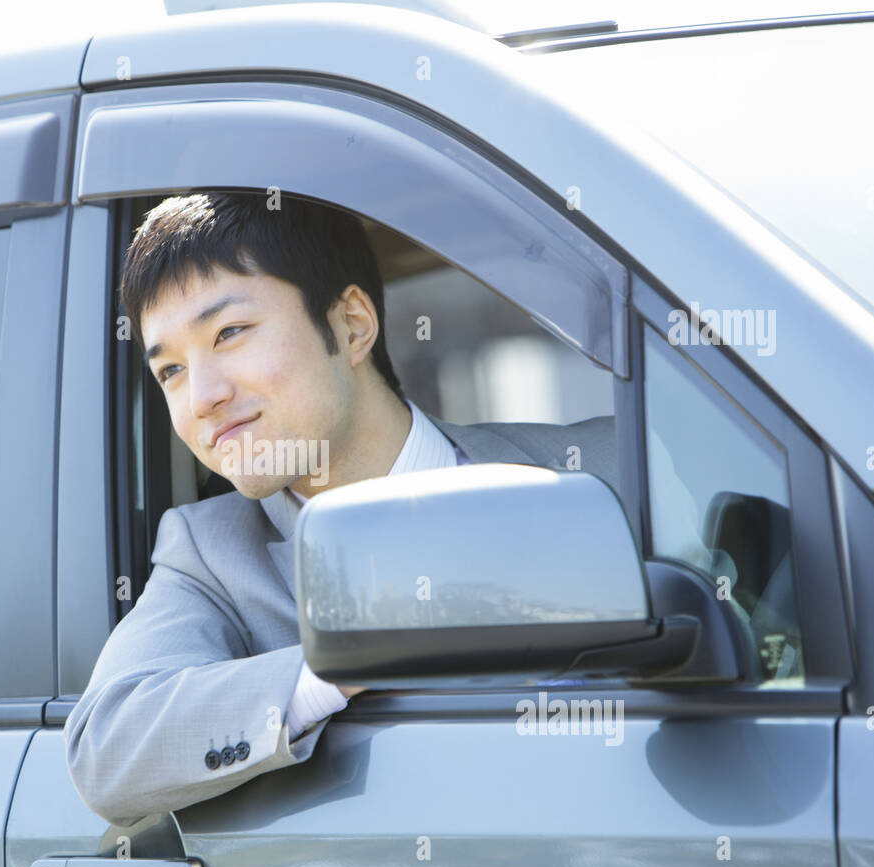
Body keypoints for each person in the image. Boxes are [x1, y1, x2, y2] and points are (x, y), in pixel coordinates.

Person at [63, 190, 617, 826]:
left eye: (230, 333)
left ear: (352, 324)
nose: (203, 398)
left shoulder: (603, 467)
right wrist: (349, 659)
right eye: (171, 373)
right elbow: (106, 751)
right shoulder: (210, 553)